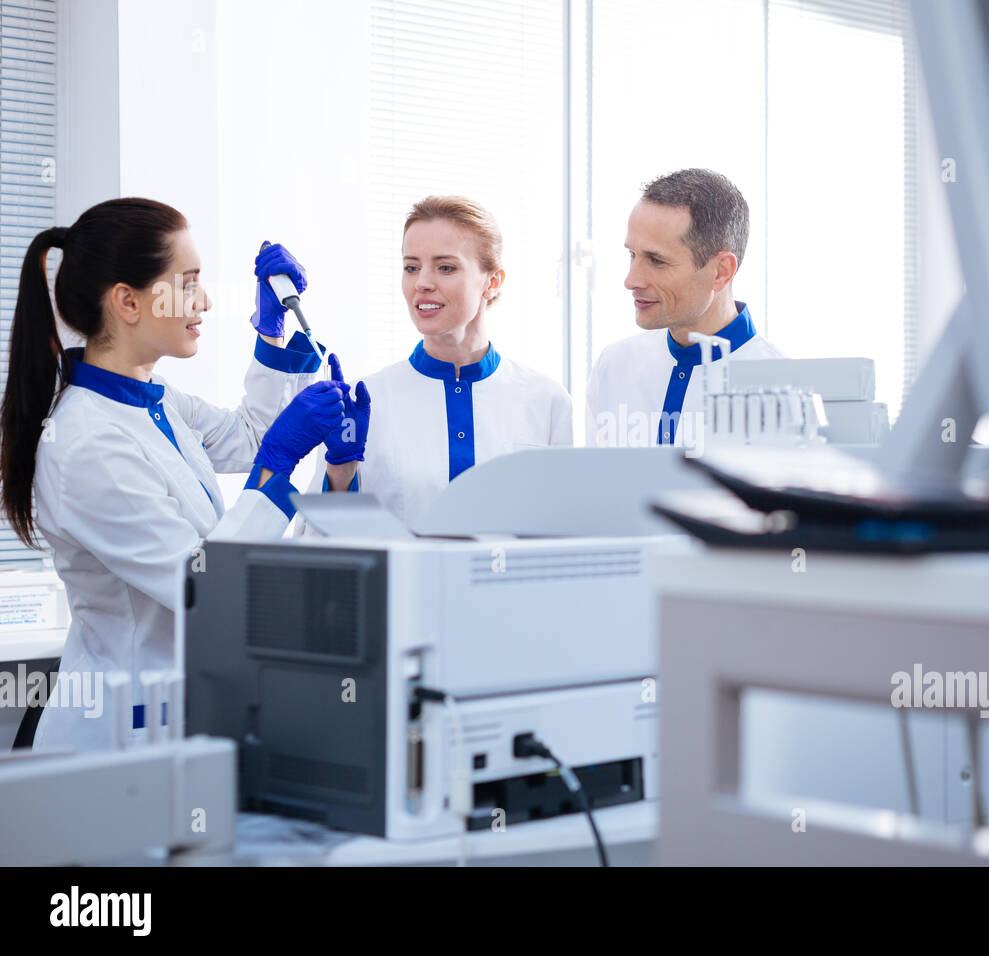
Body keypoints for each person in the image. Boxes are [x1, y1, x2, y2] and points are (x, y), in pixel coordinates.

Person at [0, 198, 347, 751]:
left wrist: (273, 340)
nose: (205, 301)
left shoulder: (155, 402)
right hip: (115, 743)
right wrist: (278, 464)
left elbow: (250, 438)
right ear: (128, 302)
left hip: (177, 720)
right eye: (188, 282)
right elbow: (203, 589)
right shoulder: (87, 445)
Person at [313, 196, 572, 530]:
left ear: (491, 283)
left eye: (445, 267)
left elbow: (562, 531)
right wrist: (340, 470)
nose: (422, 282)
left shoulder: (546, 400)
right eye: (411, 267)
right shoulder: (364, 400)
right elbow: (325, 546)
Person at [586, 168, 784, 447]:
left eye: (657, 260)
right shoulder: (614, 367)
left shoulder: (782, 390)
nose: (631, 280)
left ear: (720, 272)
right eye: (632, 254)